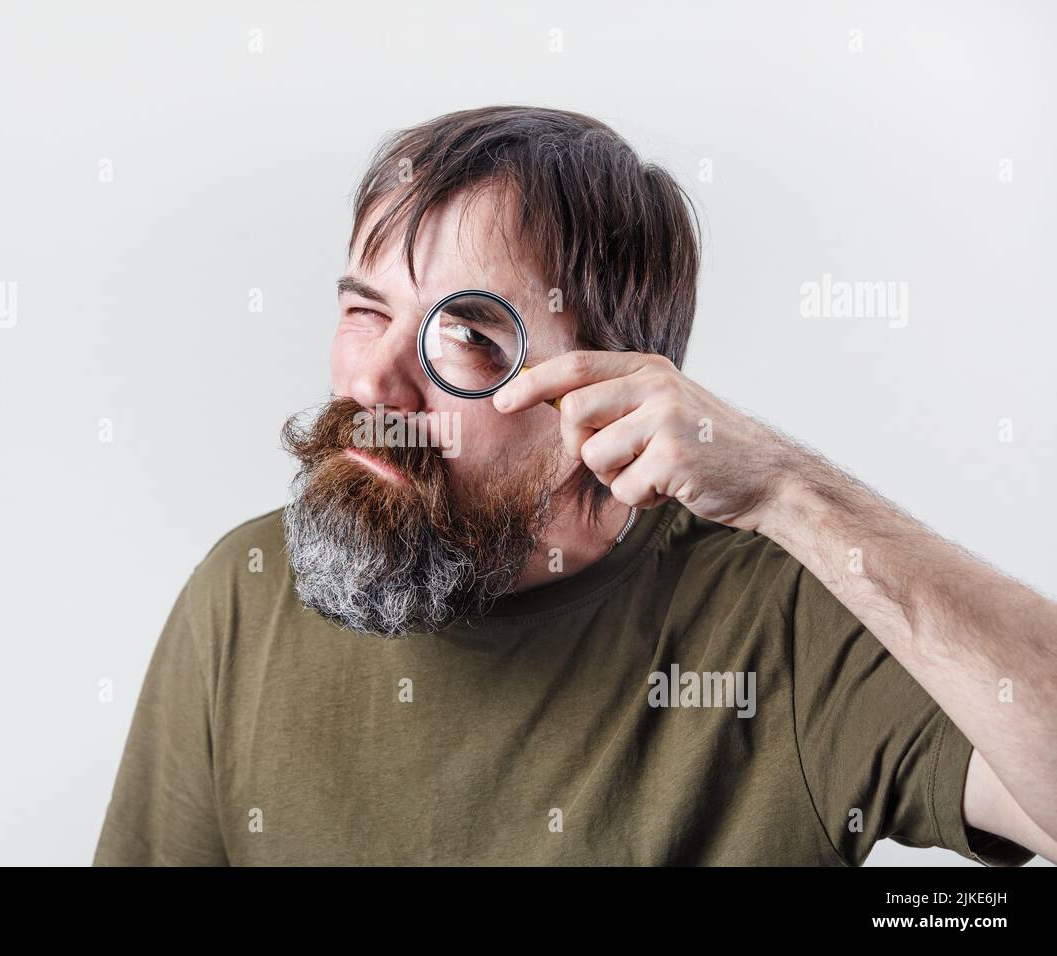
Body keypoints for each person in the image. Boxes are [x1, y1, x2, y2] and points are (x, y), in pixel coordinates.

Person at [93, 106, 1054, 866]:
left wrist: (786, 489)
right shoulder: (246, 590)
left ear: (612, 389)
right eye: (363, 309)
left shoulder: (782, 627)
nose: (371, 384)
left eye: (465, 337)